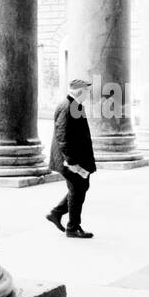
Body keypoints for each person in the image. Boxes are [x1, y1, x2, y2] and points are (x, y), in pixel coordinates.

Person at [47, 77, 98, 240]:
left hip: (74, 159)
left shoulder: (73, 105)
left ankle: (57, 213)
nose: (89, 94)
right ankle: (72, 227)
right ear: (80, 91)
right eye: (88, 91)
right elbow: (63, 136)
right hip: (70, 160)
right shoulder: (68, 107)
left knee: (80, 188)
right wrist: (71, 162)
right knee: (78, 189)